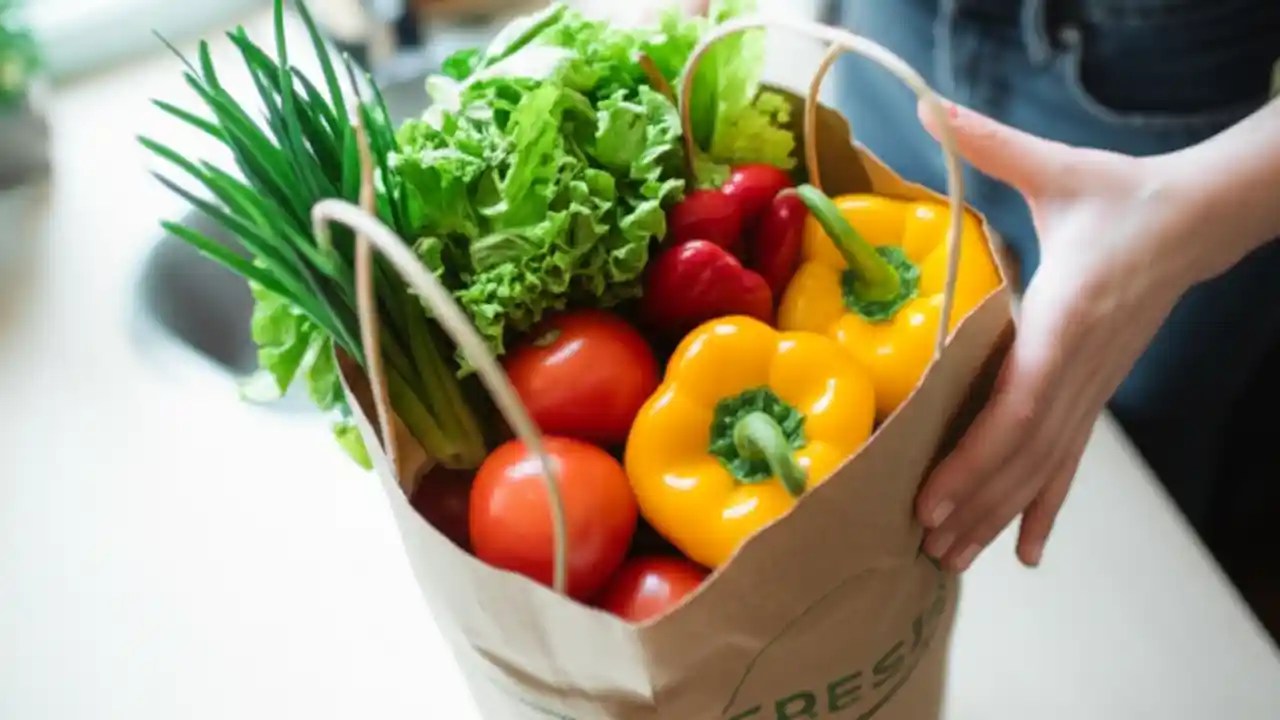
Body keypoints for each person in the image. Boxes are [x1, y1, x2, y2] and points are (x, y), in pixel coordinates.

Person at [596, 0, 1280, 573]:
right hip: (896, 32)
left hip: (1175, 89)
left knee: (1139, 497)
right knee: (917, 437)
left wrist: (1187, 218)